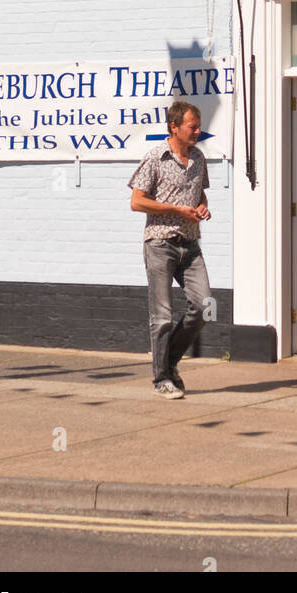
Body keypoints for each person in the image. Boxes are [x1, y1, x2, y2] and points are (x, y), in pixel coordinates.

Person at [128, 101, 212, 399]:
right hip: (160, 243)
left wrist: (202, 208)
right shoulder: (156, 158)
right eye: (193, 127)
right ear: (174, 127)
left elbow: (199, 194)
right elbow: (137, 202)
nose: (198, 132)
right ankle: (161, 378)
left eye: (199, 126)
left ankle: (170, 362)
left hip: (189, 244)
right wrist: (175, 209)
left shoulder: (199, 158)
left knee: (205, 306)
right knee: (161, 315)